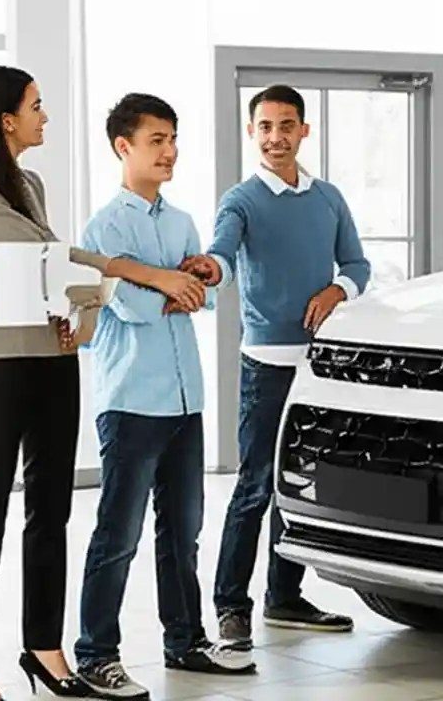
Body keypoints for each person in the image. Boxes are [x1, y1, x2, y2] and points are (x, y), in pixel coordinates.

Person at [0, 66, 208, 701]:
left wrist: (79, 310)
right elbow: (51, 258)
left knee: (51, 512)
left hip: (52, 359)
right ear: (5, 117)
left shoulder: (29, 182)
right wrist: (148, 276)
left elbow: (57, 279)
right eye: (36, 106)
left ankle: (45, 650)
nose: (45, 116)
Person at [71, 93, 256, 699]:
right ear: (124, 147)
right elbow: (130, 303)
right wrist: (171, 287)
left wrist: (193, 279)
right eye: (157, 140)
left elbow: (201, 293)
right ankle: (97, 653)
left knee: (183, 530)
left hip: (185, 400)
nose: (171, 150)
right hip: (130, 401)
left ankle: (186, 641)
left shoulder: (181, 222)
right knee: (117, 535)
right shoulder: (105, 226)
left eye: (174, 138)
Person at [181, 84, 369, 647]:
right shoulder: (240, 200)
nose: (275, 137)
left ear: (304, 131)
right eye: (264, 127)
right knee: (256, 485)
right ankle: (231, 605)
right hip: (265, 367)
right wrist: (211, 270)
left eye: (286, 126)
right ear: (251, 133)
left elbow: (358, 263)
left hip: (318, 368)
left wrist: (338, 290)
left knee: (299, 484)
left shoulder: (328, 198)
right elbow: (221, 254)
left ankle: (284, 597)